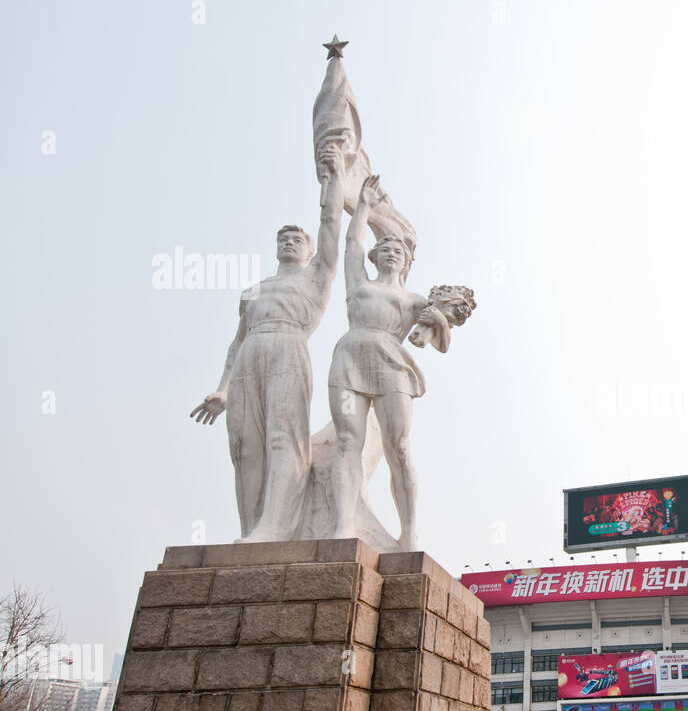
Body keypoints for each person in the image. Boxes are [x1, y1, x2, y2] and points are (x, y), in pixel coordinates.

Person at [191, 136, 347, 542]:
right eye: (283, 237)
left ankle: (275, 525)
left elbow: (331, 224)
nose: (289, 241)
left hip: (289, 348)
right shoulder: (254, 290)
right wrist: (222, 390)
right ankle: (252, 529)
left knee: (284, 437)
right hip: (250, 357)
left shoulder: (316, 277)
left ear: (309, 249)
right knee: (245, 445)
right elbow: (236, 342)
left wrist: (332, 176)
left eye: (297, 238)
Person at [327, 174, 475, 550]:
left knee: (400, 447)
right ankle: (343, 523)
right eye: (386, 247)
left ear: (407, 261)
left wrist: (439, 319)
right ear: (375, 256)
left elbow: (442, 340)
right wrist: (363, 206)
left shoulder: (412, 299)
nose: (392, 250)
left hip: (391, 364)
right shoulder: (358, 282)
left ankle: (408, 530)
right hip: (349, 359)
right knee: (348, 442)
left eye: (399, 249)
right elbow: (352, 243)